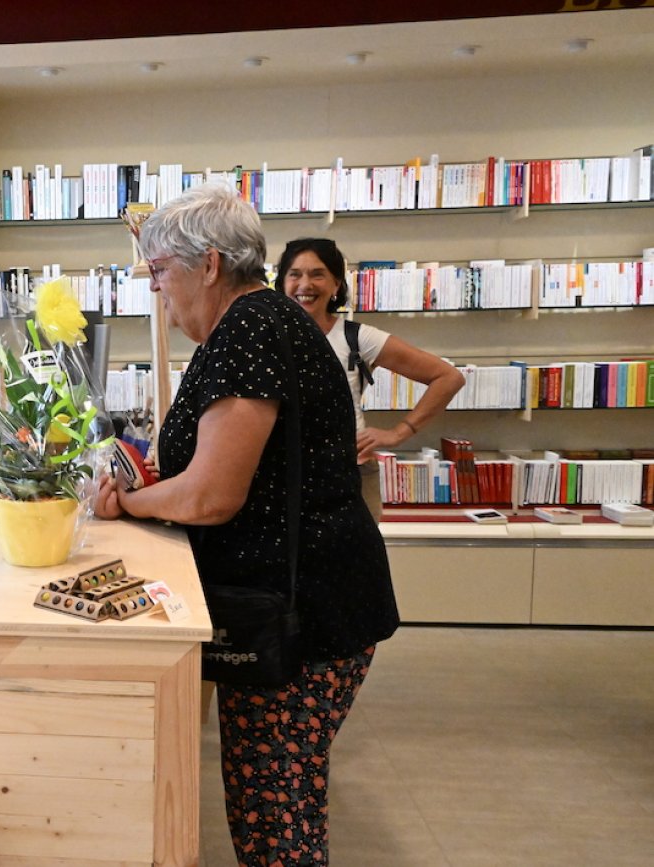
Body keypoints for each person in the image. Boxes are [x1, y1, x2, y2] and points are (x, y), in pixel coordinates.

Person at [93, 185, 399, 865]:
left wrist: (132, 502)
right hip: (308, 598)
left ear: (208, 265)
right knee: (281, 801)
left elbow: (212, 495)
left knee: (276, 819)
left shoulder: (249, 329)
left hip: (302, 614)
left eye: (159, 271)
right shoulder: (257, 322)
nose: (156, 289)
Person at [278, 238, 465, 520]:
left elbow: (448, 377)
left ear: (336, 285)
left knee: (354, 549)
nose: (305, 285)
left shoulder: (358, 337)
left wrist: (400, 432)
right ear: (282, 283)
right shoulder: (267, 338)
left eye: (317, 274)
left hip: (351, 473)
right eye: (295, 274)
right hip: (283, 475)